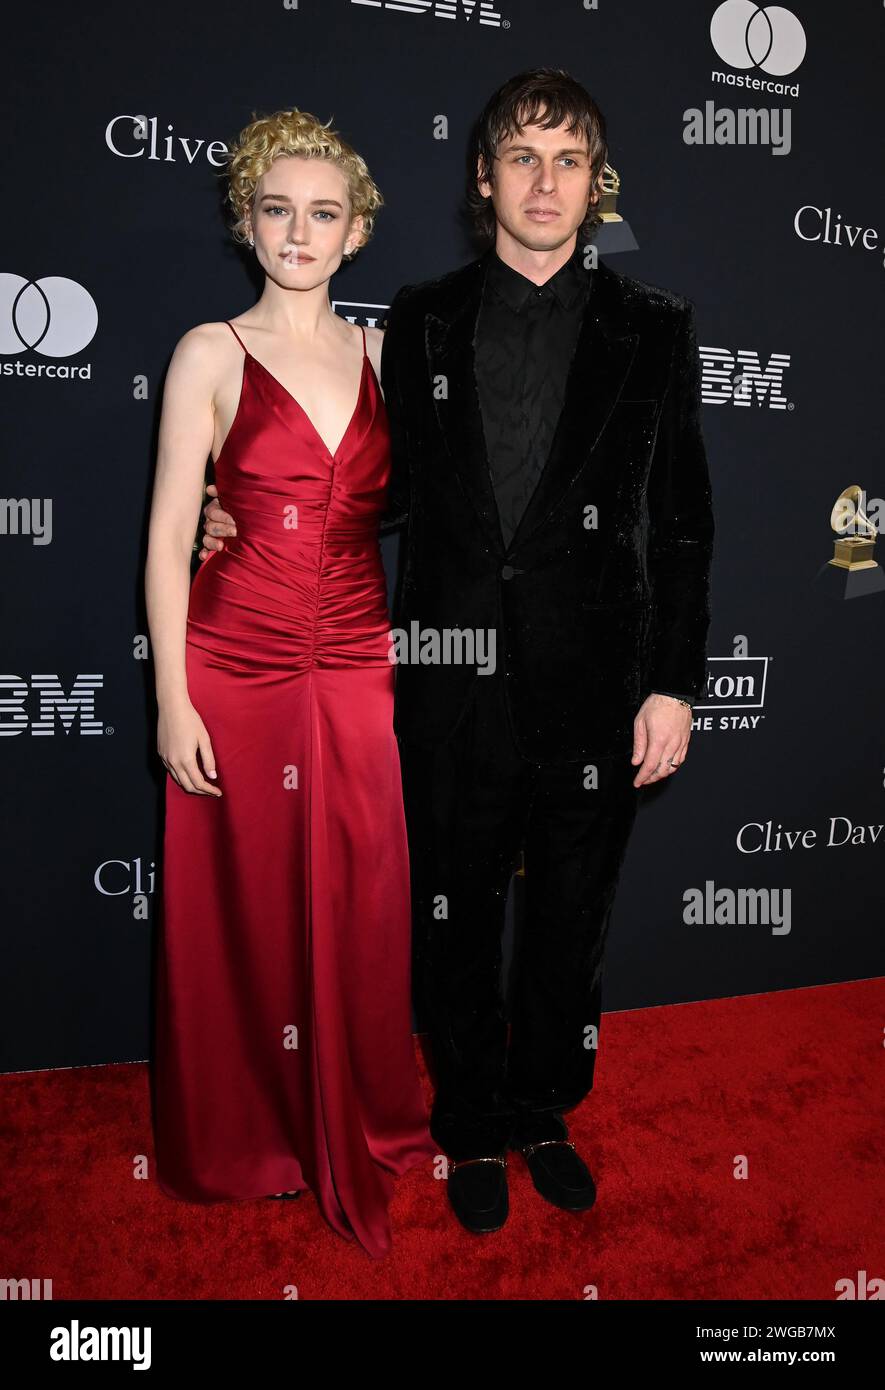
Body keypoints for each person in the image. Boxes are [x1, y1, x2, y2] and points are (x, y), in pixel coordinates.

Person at [201, 68, 715, 1236]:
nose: (544, 181)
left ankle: (545, 1111)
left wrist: (676, 681)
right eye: (520, 157)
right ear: (482, 179)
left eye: (567, 159)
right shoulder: (419, 319)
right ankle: (472, 1122)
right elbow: (371, 494)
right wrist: (231, 509)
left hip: (596, 684)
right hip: (446, 680)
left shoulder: (656, 327)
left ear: (597, 183)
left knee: (571, 920)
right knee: (456, 918)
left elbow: (682, 520)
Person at [144, 107, 436, 1261]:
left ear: (356, 231)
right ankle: (249, 1135)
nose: (299, 233)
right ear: (247, 221)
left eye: (324, 214)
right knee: (244, 901)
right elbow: (169, 535)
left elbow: (430, 506)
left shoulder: (383, 356)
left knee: (361, 896)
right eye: (278, 210)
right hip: (235, 661)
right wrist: (173, 695)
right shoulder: (208, 351)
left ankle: (360, 1110)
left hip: (358, 663)